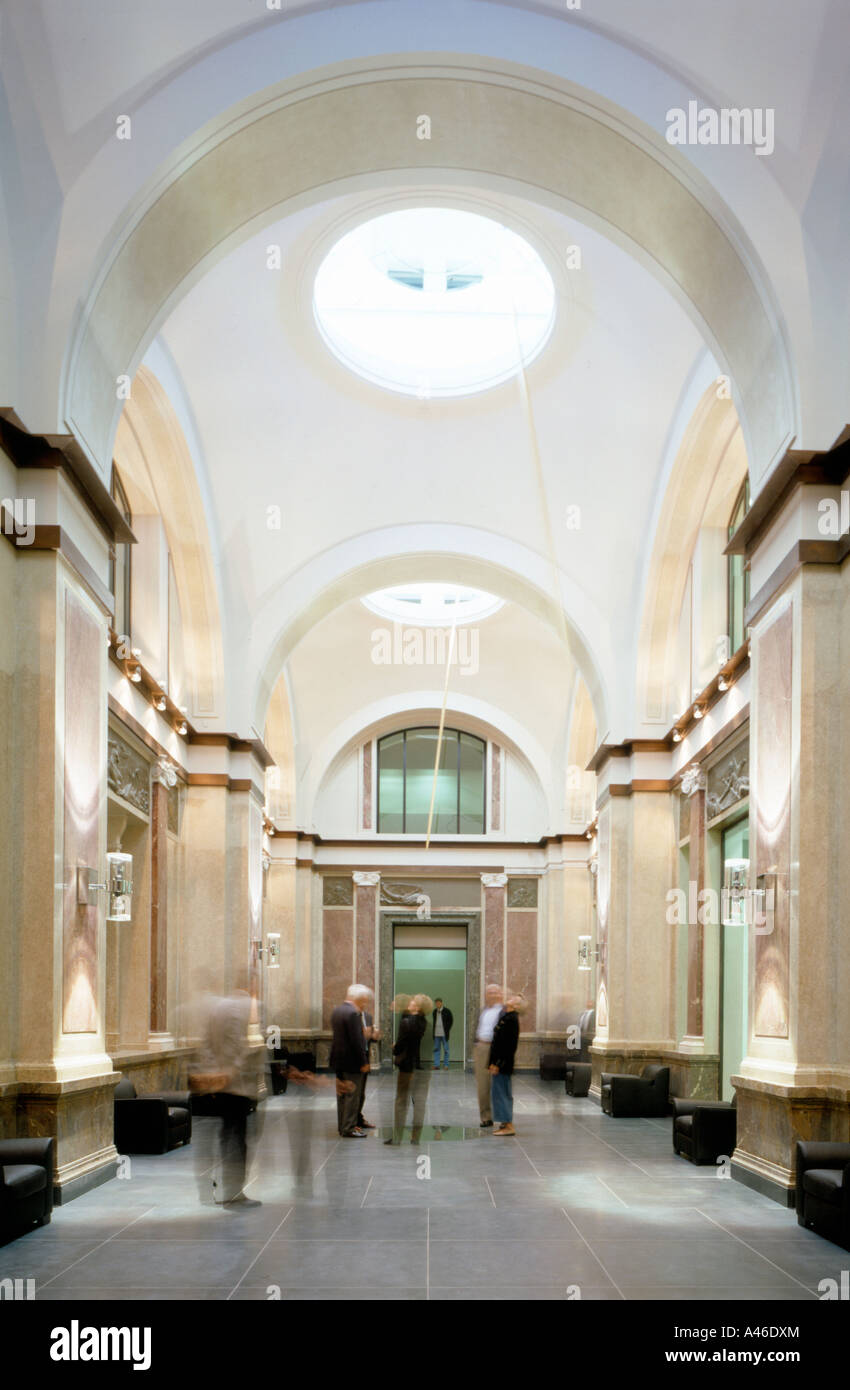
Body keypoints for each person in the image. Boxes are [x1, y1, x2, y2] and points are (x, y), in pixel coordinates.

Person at [197, 979, 263, 1207]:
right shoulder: (247, 1007)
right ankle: (233, 1192)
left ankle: (223, 1188)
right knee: (238, 1138)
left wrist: (213, 1072)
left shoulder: (218, 1007)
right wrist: (231, 1071)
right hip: (238, 1084)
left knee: (227, 1135)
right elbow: (242, 1046)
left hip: (221, 1084)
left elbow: (206, 1044)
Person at [385, 993, 432, 1144]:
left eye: (413, 1001)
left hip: (407, 1068)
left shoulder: (406, 1022)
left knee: (401, 1102)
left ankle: (397, 1137)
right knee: (419, 1103)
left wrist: (394, 1049)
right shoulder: (427, 1024)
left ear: (416, 1007)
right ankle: (415, 1137)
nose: (410, 1002)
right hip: (423, 1068)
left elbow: (400, 1046)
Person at [330, 984, 372, 1137]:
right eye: (364, 1000)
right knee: (353, 1096)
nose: (365, 1003)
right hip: (353, 1062)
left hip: (339, 1061)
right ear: (358, 998)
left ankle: (342, 1126)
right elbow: (357, 1041)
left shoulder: (338, 1010)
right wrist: (364, 1062)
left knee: (341, 1095)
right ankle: (349, 1128)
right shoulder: (353, 1013)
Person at [488, 994, 524, 1136]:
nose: (510, 998)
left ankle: (508, 1125)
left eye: (514, 999)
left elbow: (508, 1046)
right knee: (499, 1091)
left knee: (502, 1092)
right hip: (499, 1062)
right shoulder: (506, 1016)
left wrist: (497, 1064)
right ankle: (504, 1122)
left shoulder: (512, 1020)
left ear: (517, 1006)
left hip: (503, 1063)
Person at [474, 984, 504, 1127]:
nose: (492, 995)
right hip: (481, 1047)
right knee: (483, 1086)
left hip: (497, 1049)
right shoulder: (483, 1011)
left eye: (495, 992)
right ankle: (486, 1117)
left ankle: (504, 1118)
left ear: (500, 994)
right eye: (489, 992)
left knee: (500, 1085)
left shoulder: (504, 1011)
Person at [357, 1005, 382, 1129]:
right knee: (353, 1093)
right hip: (354, 1059)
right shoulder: (351, 1016)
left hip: (365, 1058)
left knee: (361, 1092)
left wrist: (374, 1036)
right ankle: (351, 1122)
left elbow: (371, 1038)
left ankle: (358, 1118)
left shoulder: (368, 1016)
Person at [432, 998, 453, 1070]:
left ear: (441, 1003)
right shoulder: (434, 1011)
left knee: (446, 1050)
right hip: (436, 1034)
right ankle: (436, 1065)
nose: (437, 1004)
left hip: (444, 1034)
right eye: (436, 1003)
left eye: (439, 1003)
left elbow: (451, 1021)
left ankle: (446, 1065)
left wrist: (447, 1029)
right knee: (436, 1049)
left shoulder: (447, 1011)